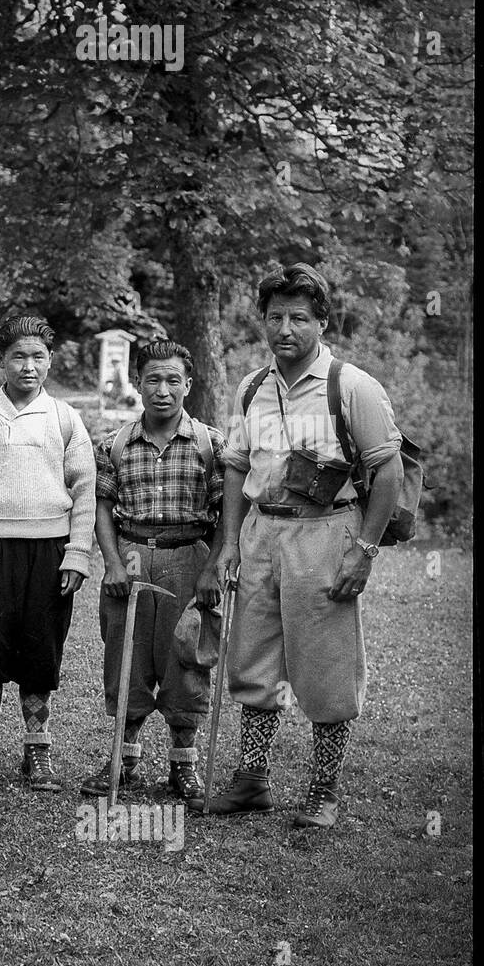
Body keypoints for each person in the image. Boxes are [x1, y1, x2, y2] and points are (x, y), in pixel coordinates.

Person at [202, 263, 403, 832]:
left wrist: (364, 549)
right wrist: (230, 546)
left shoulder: (352, 386)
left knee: (326, 669)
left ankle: (323, 790)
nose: (285, 328)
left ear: (321, 323)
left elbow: (386, 471)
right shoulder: (252, 388)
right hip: (263, 531)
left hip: (326, 532)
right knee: (254, 659)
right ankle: (252, 780)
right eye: (275, 316)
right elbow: (239, 465)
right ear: (262, 321)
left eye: (299, 317)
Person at [0, 314, 95, 790]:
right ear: (0, 360)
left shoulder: (65, 418)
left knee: (40, 650)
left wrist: (77, 554)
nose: (28, 367)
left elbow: (86, 489)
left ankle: (38, 748)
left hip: (49, 554)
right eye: (18, 357)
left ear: (50, 361)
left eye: (38, 357)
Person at [82, 340, 225, 799]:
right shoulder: (115, 444)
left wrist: (213, 569)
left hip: (189, 556)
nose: (163, 390)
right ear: (138, 384)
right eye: (152, 380)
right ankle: (124, 758)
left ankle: (183, 764)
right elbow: (102, 508)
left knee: (187, 656)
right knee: (127, 655)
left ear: (188, 384)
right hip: (132, 554)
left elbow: (227, 514)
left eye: (172, 380)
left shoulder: (210, 444)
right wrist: (111, 562)